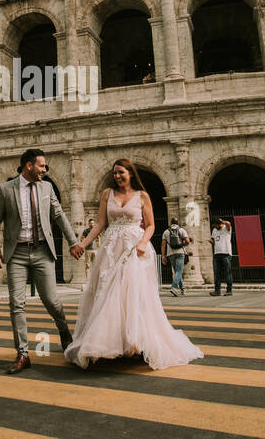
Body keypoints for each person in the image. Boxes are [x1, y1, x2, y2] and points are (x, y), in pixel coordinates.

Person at [67, 159, 204, 371]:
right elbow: (101, 224)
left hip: (135, 248)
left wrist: (142, 243)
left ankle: (135, 342)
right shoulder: (106, 194)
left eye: (121, 172)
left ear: (130, 173)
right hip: (112, 249)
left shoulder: (142, 196)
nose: (117, 176)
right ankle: (110, 343)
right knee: (107, 294)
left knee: (132, 295)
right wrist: (83, 244)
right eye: (114, 173)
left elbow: (150, 226)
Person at [0, 147, 80, 374]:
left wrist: (73, 242)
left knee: (51, 300)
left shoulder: (47, 187)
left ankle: (64, 330)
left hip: (42, 252)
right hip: (17, 253)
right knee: (16, 303)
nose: (45, 169)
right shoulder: (6, 189)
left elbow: (59, 216)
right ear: (29, 165)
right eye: (41, 165)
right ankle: (23, 353)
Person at [162, 217, 189, 296]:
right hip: (180, 253)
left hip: (170, 254)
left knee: (177, 271)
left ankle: (183, 288)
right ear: (178, 223)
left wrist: (163, 256)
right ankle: (174, 287)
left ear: (171, 223)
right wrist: (181, 245)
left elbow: (163, 244)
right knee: (179, 271)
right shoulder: (181, 230)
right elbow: (187, 241)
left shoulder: (166, 232)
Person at [208, 217, 233, 297]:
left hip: (226, 253)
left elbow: (229, 223)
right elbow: (213, 240)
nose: (214, 227)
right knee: (217, 273)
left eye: (215, 225)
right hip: (216, 253)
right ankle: (217, 290)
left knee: (227, 272)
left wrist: (221, 221)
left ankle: (229, 290)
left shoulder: (226, 228)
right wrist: (211, 241)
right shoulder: (214, 230)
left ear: (219, 224)